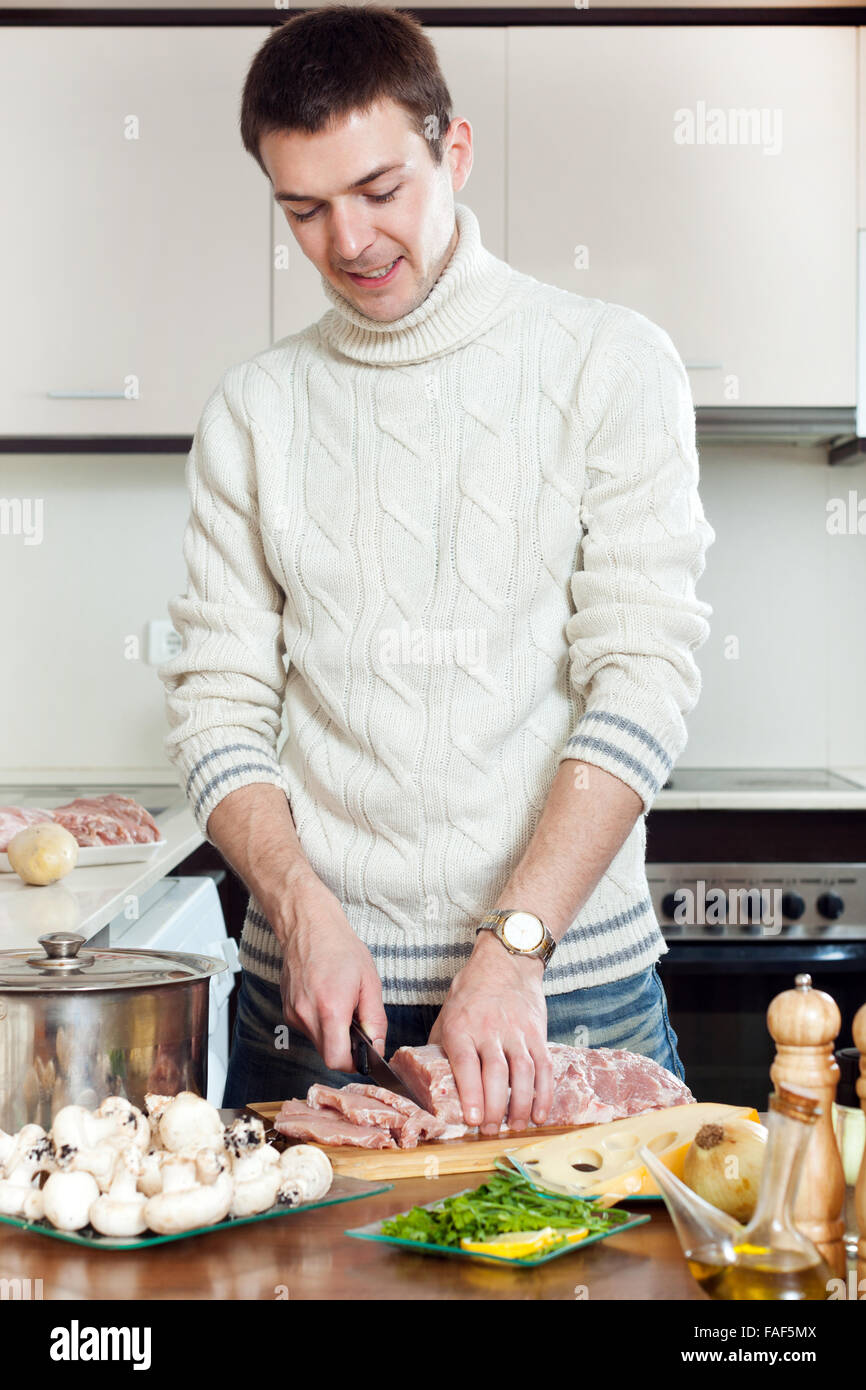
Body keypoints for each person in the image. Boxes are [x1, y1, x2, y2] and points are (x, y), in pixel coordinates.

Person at [159, 3, 715, 1134]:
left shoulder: (608, 364)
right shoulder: (251, 414)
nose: (348, 242)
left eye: (379, 191)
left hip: (566, 995)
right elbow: (216, 707)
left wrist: (512, 945)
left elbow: (642, 678)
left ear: (452, 151)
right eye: (303, 210)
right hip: (317, 1007)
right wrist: (300, 907)